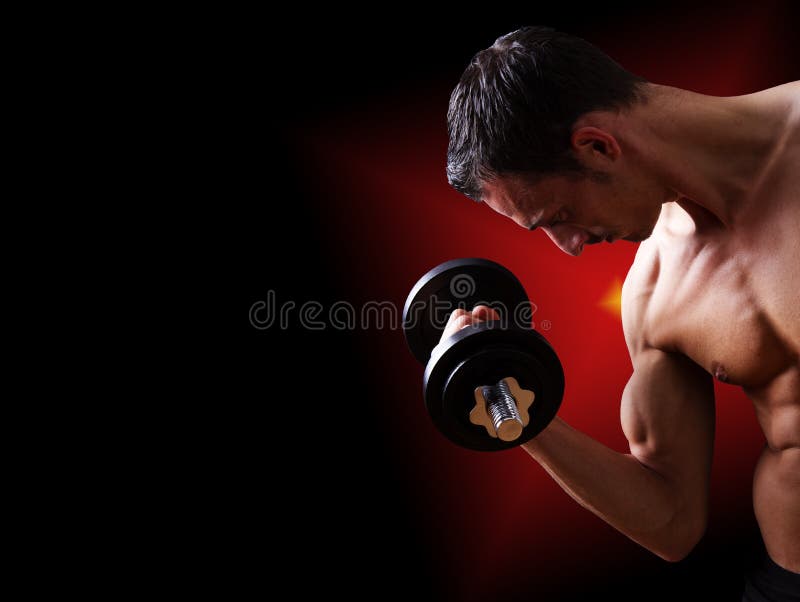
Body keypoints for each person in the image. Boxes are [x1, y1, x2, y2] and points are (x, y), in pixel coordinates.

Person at [443, 26, 799, 601]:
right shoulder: (654, 291)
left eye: (556, 215)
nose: (570, 245)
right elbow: (671, 523)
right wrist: (513, 408)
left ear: (597, 146)